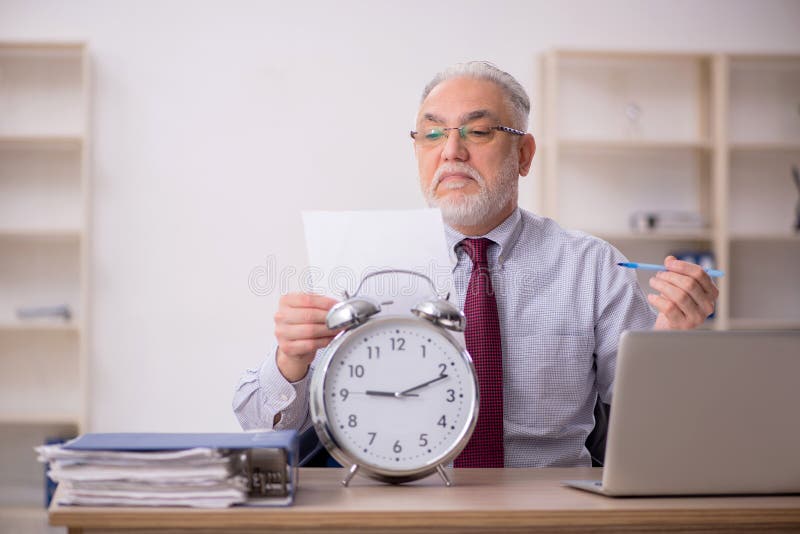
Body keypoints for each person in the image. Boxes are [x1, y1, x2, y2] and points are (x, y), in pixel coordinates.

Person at [233, 62, 718, 467]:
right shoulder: (361, 260)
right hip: (401, 503)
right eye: (431, 134)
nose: (451, 151)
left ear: (524, 154)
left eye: (478, 131)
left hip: (548, 509)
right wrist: (291, 363)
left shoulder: (592, 266)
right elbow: (258, 424)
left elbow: (659, 427)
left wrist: (672, 337)